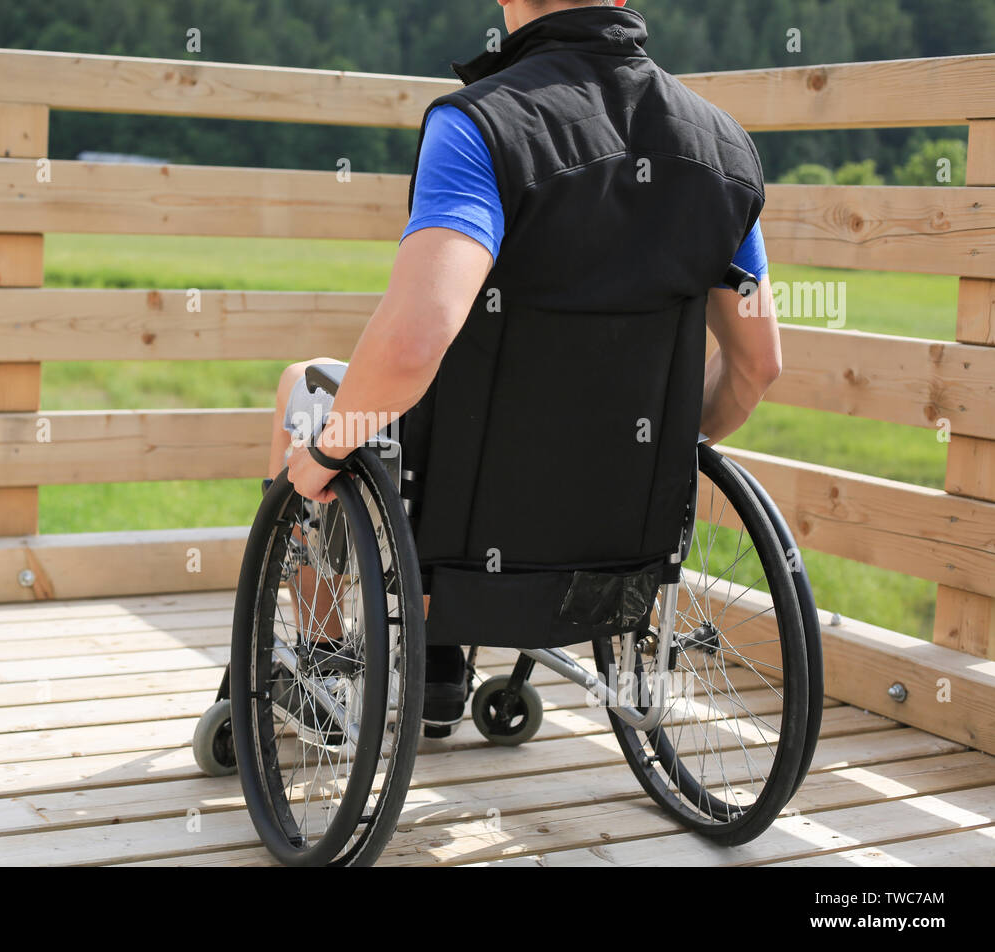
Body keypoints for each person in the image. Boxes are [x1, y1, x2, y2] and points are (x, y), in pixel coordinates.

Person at [268, 0, 781, 732]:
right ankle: (443, 660)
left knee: (305, 386)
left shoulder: (480, 124)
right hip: (623, 525)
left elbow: (415, 342)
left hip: (468, 509)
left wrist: (325, 451)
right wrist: (652, 446)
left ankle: (323, 667)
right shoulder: (726, 149)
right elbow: (759, 364)